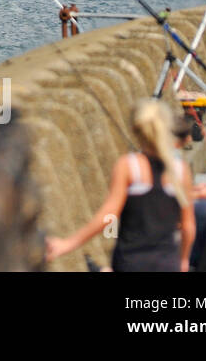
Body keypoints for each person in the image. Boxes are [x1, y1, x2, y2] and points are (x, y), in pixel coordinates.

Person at [46, 99, 195, 271]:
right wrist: (183, 260)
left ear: (134, 130)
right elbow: (188, 226)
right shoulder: (180, 170)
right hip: (166, 262)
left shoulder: (128, 166)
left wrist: (69, 243)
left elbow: (109, 214)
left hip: (131, 261)